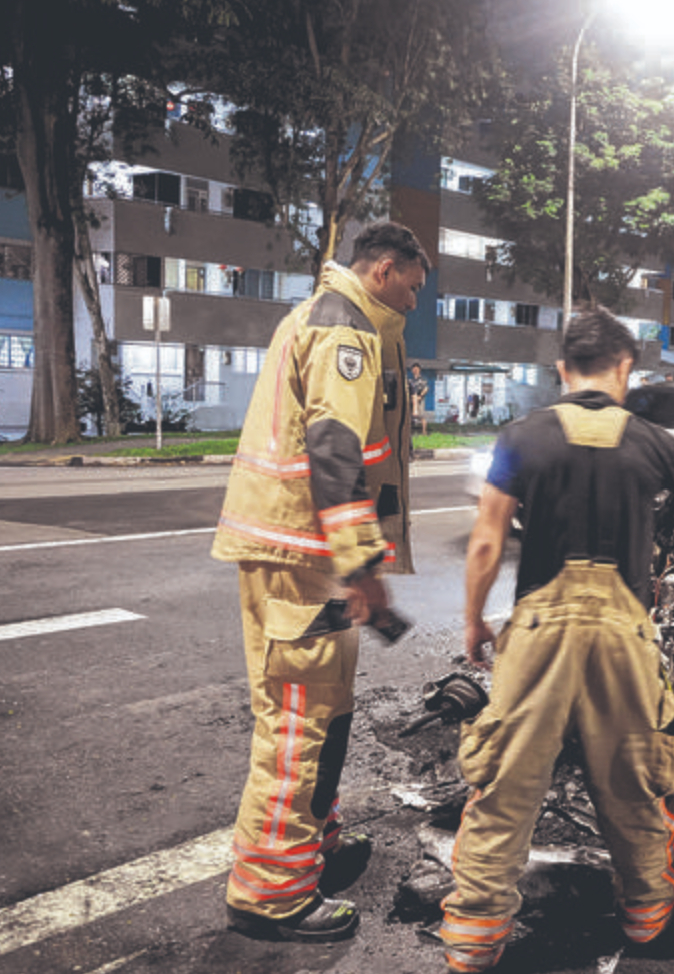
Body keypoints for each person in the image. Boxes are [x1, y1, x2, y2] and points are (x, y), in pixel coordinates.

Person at [440, 308, 674, 973]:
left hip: (539, 628)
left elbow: (487, 540)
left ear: (563, 370)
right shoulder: (652, 441)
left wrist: (474, 621)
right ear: (626, 368)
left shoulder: (522, 436)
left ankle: (473, 934)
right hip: (621, 631)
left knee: (506, 781)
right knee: (635, 776)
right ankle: (647, 914)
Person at [212, 221, 430, 942]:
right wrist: (363, 567)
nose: (415, 302)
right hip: (303, 558)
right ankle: (269, 893)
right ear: (383, 270)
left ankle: (316, 843)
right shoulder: (346, 331)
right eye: (412, 287)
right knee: (299, 720)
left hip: (308, 555)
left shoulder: (327, 317)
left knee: (327, 710)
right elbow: (335, 451)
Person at [409, 362, 430, 436]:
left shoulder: (423, 379)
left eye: (416, 369)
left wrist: (420, 396)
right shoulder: (410, 381)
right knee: (410, 416)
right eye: (414, 369)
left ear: (419, 370)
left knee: (421, 416)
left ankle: (424, 431)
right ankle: (410, 432)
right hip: (411, 400)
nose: (415, 370)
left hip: (420, 399)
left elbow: (426, 388)